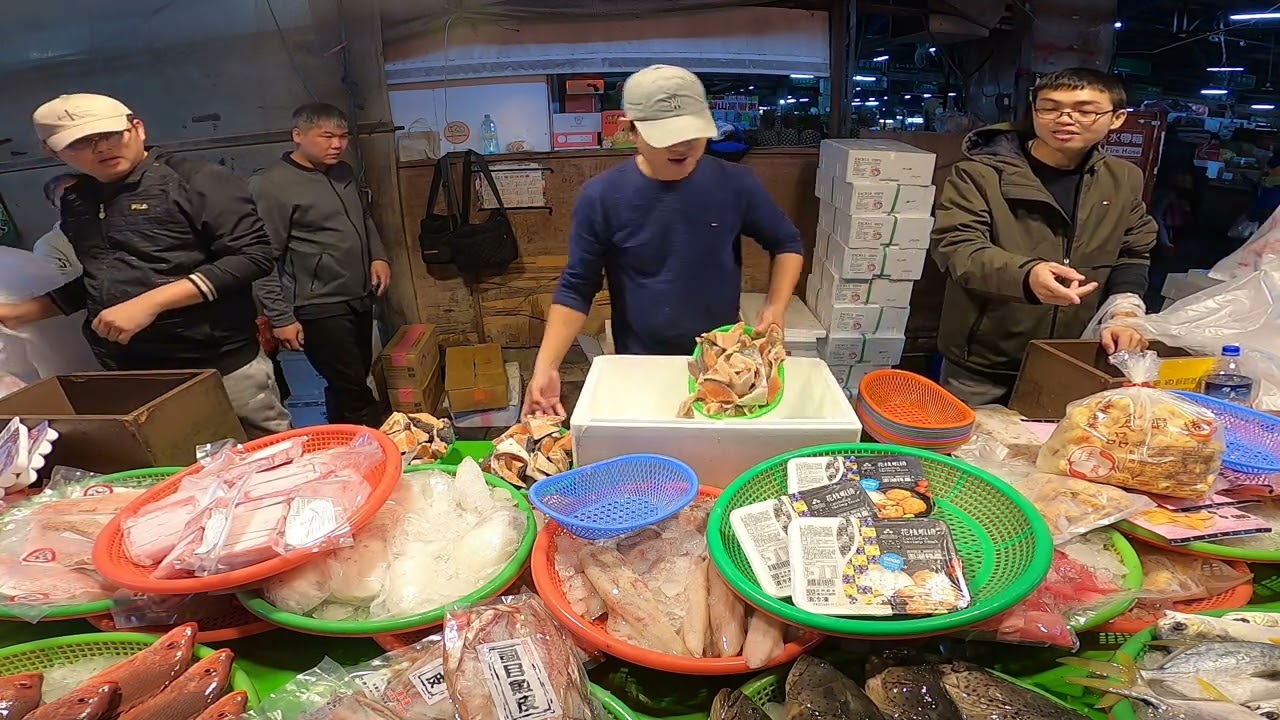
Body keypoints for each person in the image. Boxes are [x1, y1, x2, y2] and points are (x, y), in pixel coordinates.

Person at [0, 93, 291, 438]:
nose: (101, 148)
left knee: (265, 458)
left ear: (137, 128)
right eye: (81, 142)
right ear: (52, 150)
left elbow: (253, 256)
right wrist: (20, 313)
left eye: (110, 135)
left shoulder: (198, 181)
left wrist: (149, 303)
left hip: (219, 365)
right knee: (175, 467)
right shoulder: (79, 200)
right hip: (131, 371)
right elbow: (104, 277)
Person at [525, 64, 805, 416]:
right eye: (666, 134)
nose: (683, 145)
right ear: (631, 131)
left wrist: (774, 308)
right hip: (639, 364)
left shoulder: (737, 184)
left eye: (693, 132)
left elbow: (787, 243)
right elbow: (577, 287)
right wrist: (546, 366)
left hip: (720, 364)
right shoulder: (601, 197)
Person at [931, 68, 1158, 407]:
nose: (1065, 119)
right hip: (984, 361)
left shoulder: (1123, 178)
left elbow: (1132, 251)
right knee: (965, 450)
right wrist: (1026, 276)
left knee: (1053, 451)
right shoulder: (979, 174)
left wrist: (1124, 310)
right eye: (1050, 107)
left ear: (1117, 118)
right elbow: (956, 246)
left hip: (1070, 357)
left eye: (1085, 110)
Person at [253, 102, 390, 427]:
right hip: (318, 304)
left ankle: (347, 450)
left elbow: (364, 217)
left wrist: (378, 255)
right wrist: (281, 317)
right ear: (297, 135)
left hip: (357, 296)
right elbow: (261, 258)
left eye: (343, 137)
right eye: (326, 136)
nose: (337, 144)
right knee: (354, 389)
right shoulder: (272, 185)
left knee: (350, 381)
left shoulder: (342, 172)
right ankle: (390, 450)